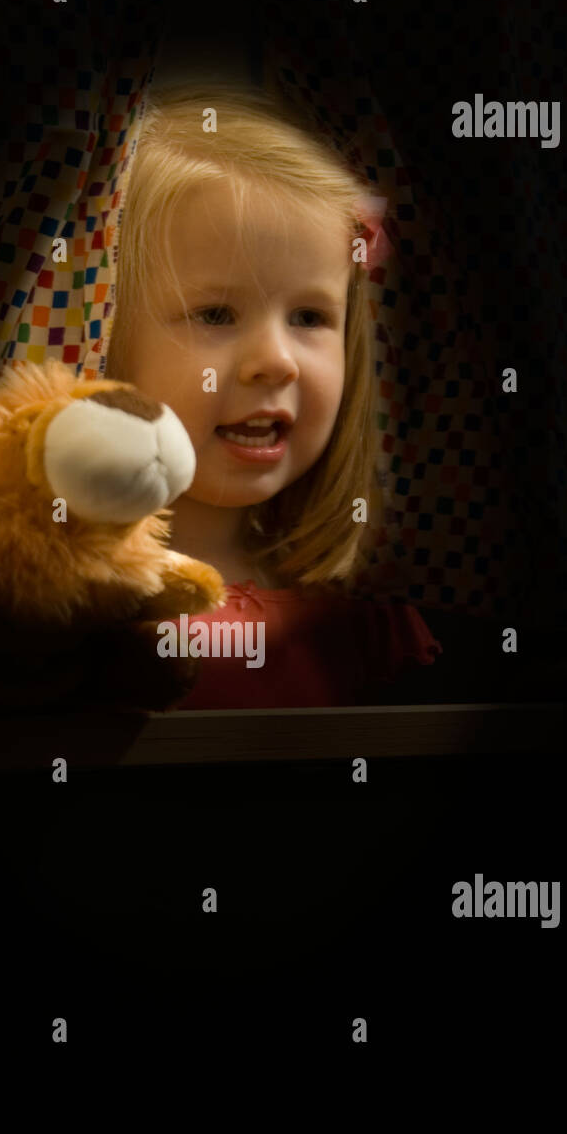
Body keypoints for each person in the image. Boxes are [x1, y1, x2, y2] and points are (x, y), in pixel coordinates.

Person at [103, 81, 442, 708]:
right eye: (214, 315)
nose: (276, 363)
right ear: (105, 330)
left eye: (310, 318)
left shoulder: (364, 622)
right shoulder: (66, 617)